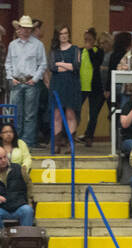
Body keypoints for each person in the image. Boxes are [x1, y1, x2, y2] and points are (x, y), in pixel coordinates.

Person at [6, 16, 47, 148]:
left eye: (28, 28)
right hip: (16, 82)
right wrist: (10, 77)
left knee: (30, 114)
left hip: (30, 82)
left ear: (31, 29)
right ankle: (16, 142)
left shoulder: (38, 45)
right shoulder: (12, 45)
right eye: (24, 28)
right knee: (16, 114)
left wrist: (35, 79)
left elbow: (43, 64)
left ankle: (27, 143)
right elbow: (8, 63)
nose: (26, 30)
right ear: (20, 28)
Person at [46, 25, 81, 153]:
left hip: (72, 84)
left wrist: (60, 63)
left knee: (70, 114)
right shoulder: (54, 51)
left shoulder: (75, 49)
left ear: (69, 34)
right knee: (56, 115)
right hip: (57, 84)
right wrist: (67, 65)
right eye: (61, 34)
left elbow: (76, 67)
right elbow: (52, 67)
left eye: (66, 33)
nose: (64, 36)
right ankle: (56, 144)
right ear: (58, 36)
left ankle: (70, 144)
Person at [79, 28, 106, 147]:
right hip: (82, 86)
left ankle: (89, 136)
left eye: (90, 40)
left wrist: (90, 51)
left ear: (94, 40)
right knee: (75, 110)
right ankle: (69, 133)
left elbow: (96, 64)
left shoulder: (98, 51)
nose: (87, 42)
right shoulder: (80, 51)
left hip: (95, 87)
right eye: (85, 40)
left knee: (93, 113)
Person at [0, 147, 33, 227]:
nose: (3, 160)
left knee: (28, 210)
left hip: (19, 206)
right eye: (0, 158)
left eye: (5, 157)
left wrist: (29, 201)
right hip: (2, 208)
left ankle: (24, 237)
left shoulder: (18, 168)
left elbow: (28, 184)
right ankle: (3, 237)